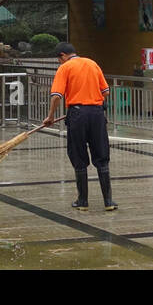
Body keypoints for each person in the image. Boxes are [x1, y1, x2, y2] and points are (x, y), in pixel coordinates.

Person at [41, 42, 116, 212]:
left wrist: (50, 116)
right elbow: (106, 91)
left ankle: (83, 201)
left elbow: (56, 96)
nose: (60, 63)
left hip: (77, 114)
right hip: (97, 114)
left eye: (59, 60)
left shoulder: (65, 68)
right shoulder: (92, 63)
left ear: (62, 55)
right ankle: (108, 201)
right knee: (101, 155)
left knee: (78, 155)